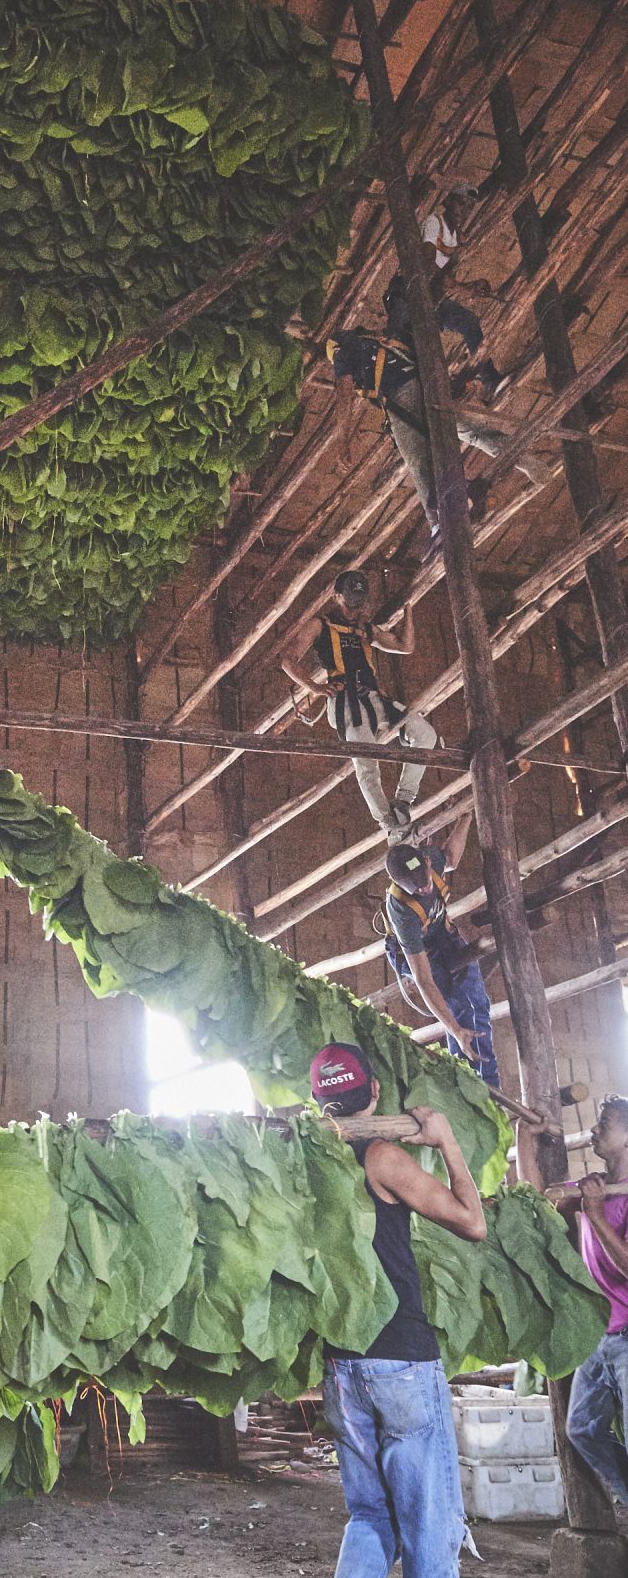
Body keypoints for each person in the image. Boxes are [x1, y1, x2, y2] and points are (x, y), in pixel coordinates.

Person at [310, 1041, 487, 1578]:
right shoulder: (381, 1156)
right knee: (430, 1529)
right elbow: (472, 1221)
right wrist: (443, 1141)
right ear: (375, 1094)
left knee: (369, 1514)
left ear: (320, 1101)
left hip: (342, 1365)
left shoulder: (311, 1158)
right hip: (402, 1362)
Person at [327, 316, 548, 538]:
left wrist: (342, 439)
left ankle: (438, 526)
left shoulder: (343, 352)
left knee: (418, 461)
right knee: (473, 431)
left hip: (400, 398)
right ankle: (524, 460)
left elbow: (344, 392)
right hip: (428, 386)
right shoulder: (379, 341)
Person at [280, 568, 437, 841]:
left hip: (376, 699)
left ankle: (403, 801)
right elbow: (288, 660)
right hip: (346, 703)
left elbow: (405, 646)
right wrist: (315, 688)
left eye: (358, 597)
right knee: (366, 764)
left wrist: (409, 611)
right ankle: (389, 824)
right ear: (337, 596)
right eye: (350, 596)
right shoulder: (320, 624)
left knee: (425, 734)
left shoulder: (365, 628)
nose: (354, 603)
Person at [382, 821, 496, 1084]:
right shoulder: (401, 911)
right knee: (457, 1009)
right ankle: (478, 1085)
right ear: (400, 885)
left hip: (442, 934)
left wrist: (464, 818)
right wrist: (455, 1030)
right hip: (415, 951)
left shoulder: (428, 859)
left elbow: (452, 857)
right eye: (417, 888)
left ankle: (481, 1080)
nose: (424, 889)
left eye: (425, 882)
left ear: (428, 863)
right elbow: (424, 979)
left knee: (475, 1002)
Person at [559, 1095, 628, 1523]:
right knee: (582, 1428)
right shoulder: (597, 1185)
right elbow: (541, 1196)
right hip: (599, 1335)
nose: (595, 1129)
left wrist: (596, 1213)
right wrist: (522, 1136)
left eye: (606, 1123)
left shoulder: (600, 1198)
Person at [383, 250, 506, 405]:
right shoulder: (434, 227)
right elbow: (427, 259)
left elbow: (440, 278)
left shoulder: (452, 236)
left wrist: (465, 287)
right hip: (406, 299)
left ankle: (489, 380)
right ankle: (413, 402)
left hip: (429, 301)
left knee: (468, 321)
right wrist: (463, 288)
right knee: (405, 352)